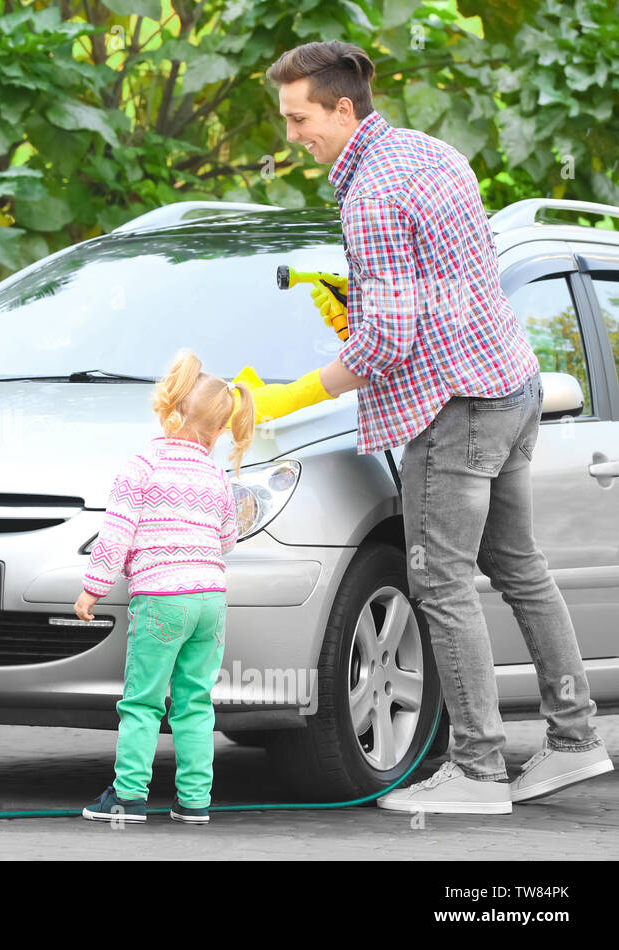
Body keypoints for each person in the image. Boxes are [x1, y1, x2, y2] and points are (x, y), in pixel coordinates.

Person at [253, 40, 612, 813]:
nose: (292, 136)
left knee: (439, 582)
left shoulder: (370, 194)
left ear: (343, 109)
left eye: (300, 118)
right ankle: (576, 739)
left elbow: (385, 343)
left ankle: (478, 771)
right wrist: (364, 302)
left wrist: (288, 396)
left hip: (453, 411)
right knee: (520, 568)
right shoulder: (432, 155)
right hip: (509, 387)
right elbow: (446, 280)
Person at [74, 351, 255, 823]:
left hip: (161, 600)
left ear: (169, 410)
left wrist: (93, 588)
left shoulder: (142, 466)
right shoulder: (216, 475)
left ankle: (129, 796)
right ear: (219, 431)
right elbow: (226, 538)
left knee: (143, 701)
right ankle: (195, 801)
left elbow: (116, 533)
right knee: (195, 702)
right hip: (210, 600)